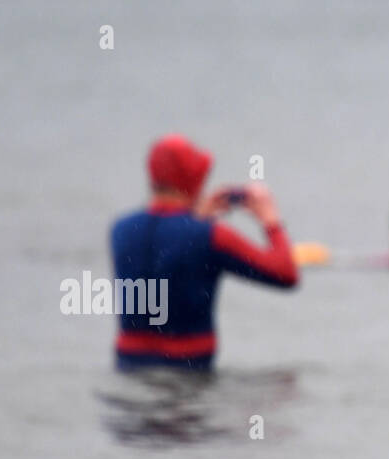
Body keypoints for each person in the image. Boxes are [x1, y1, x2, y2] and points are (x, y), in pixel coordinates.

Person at [110, 134, 298, 371]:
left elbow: (168, 247)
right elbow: (285, 274)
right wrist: (270, 220)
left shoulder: (121, 230)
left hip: (129, 368)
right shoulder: (211, 236)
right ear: (193, 179)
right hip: (190, 374)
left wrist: (196, 216)